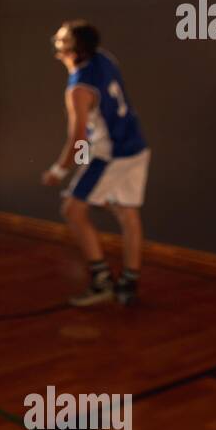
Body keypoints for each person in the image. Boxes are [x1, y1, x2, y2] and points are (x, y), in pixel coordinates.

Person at [41, 20, 150, 306]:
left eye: (62, 39)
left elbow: (78, 138)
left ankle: (101, 280)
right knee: (128, 215)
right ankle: (129, 282)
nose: (56, 42)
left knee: (73, 210)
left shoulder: (78, 89)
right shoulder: (104, 58)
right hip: (136, 147)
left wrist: (60, 170)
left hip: (111, 153)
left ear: (74, 51)